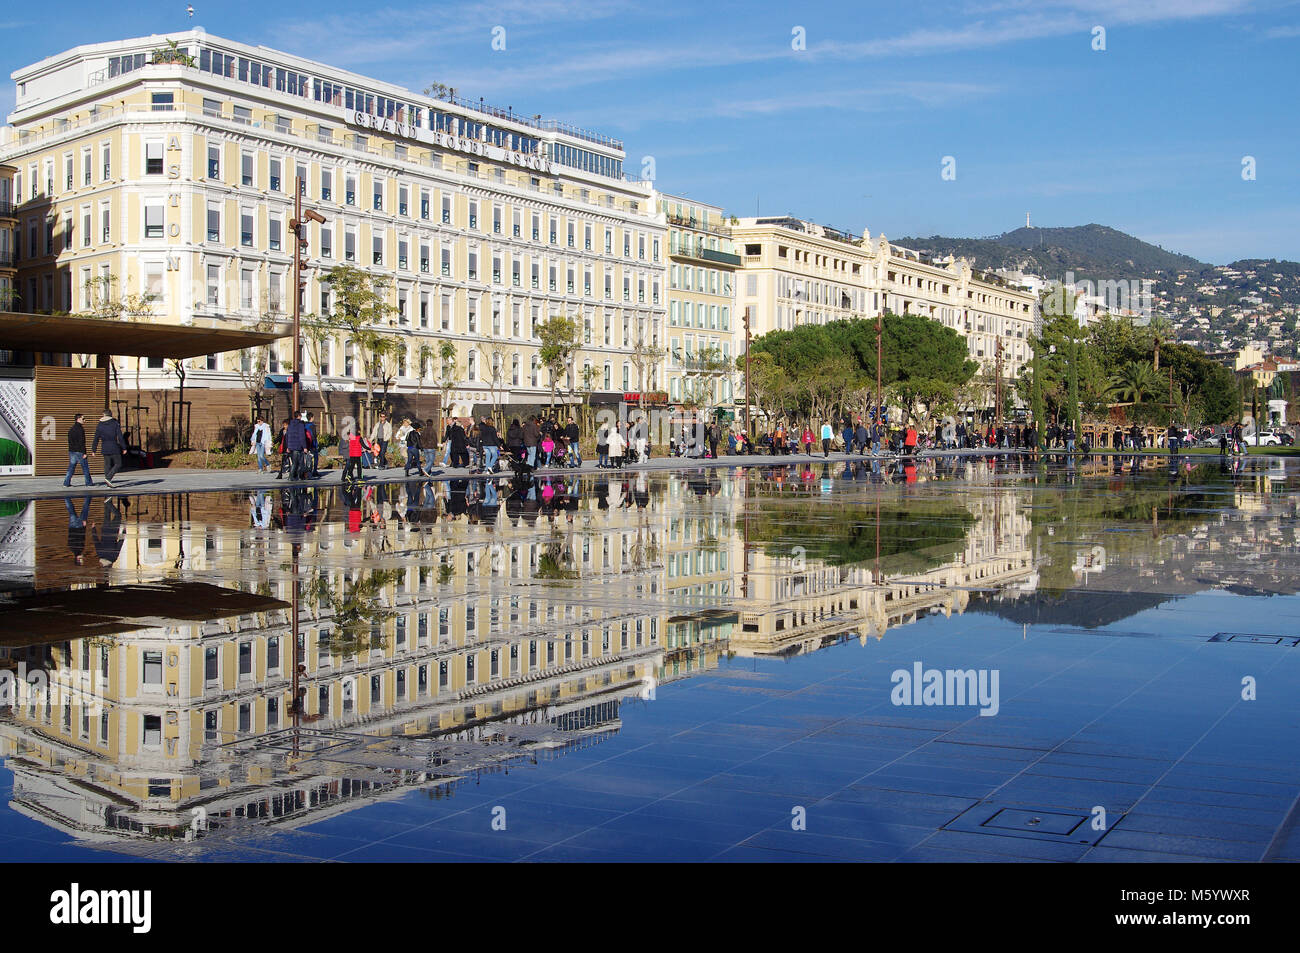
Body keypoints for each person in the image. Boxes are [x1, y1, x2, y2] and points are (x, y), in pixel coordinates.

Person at [91, 410, 126, 487]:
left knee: (107, 464)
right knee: (118, 463)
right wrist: (124, 447)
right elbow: (120, 437)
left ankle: (108, 481)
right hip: (114, 446)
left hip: (104, 447)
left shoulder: (100, 425)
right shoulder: (115, 423)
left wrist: (94, 449)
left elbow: (96, 438)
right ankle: (108, 478)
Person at [64, 413, 93, 487]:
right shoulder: (80, 429)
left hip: (72, 451)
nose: (85, 420)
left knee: (71, 467)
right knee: (85, 467)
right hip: (79, 451)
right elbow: (82, 442)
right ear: (78, 419)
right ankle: (88, 482)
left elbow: (70, 440)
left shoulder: (72, 429)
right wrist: (84, 452)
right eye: (83, 419)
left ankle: (66, 483)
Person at [304, 412, 320, 476]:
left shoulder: (305, 425)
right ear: (312, 417)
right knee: (315, 457)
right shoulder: (312, 426)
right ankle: (314, 471)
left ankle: (308, 471)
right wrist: (315, 444)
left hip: (306, 443)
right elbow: (313, 436)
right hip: (312, 444)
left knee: (308, 458)